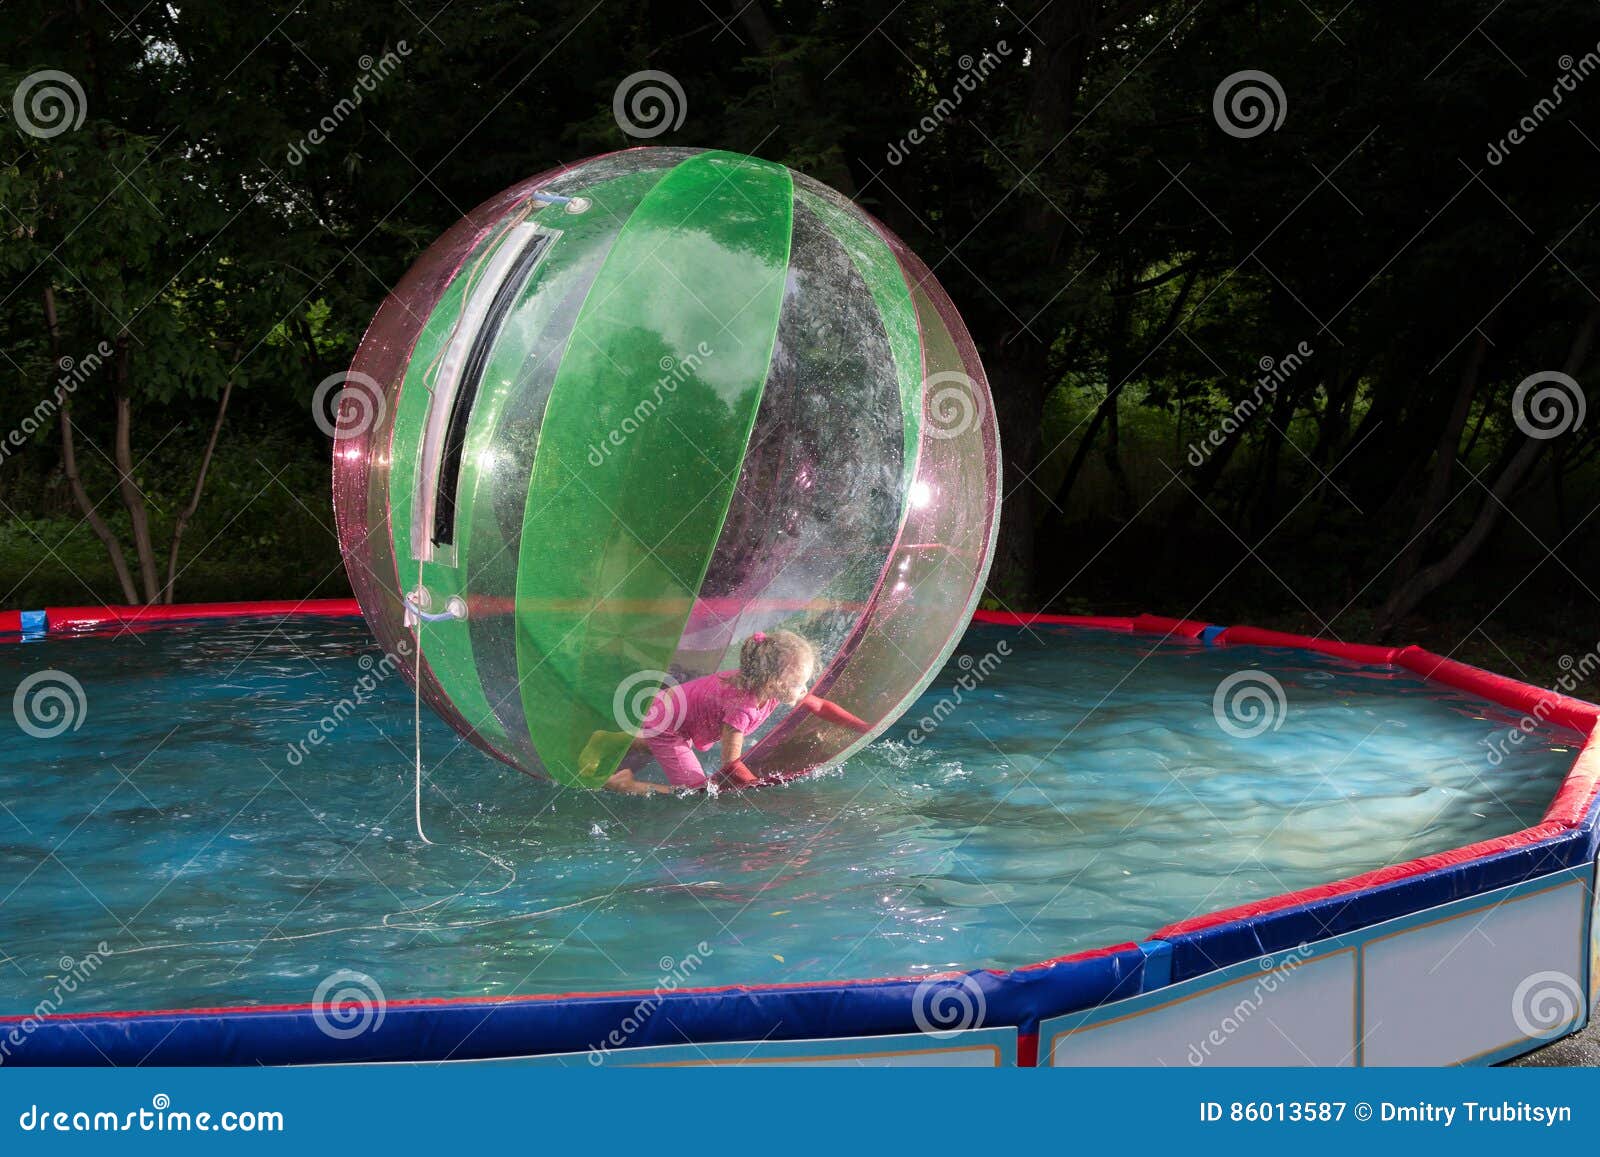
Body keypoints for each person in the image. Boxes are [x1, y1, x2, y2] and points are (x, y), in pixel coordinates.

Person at [589, 630, 829, 795]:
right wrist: (756, 791)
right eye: (799, 683)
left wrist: (861, 727)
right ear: (773, 683)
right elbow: (731, 764)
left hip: (674, 711)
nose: (805, 688)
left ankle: (607, 740)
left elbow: (821, 706)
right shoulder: (742, 709)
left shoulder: (766, 686)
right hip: (668, 722)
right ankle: (625, 784)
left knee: (661, 745)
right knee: (697, 792)